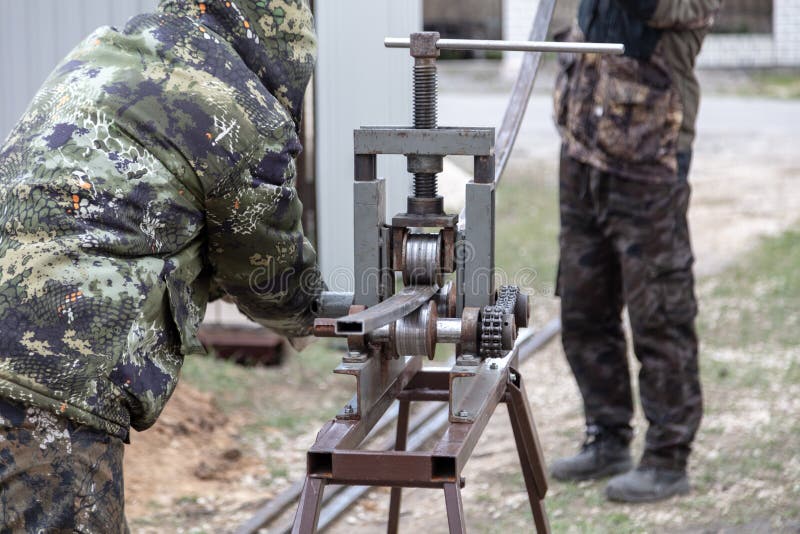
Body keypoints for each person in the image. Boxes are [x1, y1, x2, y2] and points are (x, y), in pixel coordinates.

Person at [0, 0, 322, 530]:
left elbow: (124, 217)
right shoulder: (236, 109)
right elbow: (268, 273)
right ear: (283, 48)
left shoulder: (101, 53)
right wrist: (312, 314)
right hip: (50, 382)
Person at [551, 0, 721, 502]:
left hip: (649, 157)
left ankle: (668, 459)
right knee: (583, 308)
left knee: (660, 312)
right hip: (582, 149)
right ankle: (606, 437)